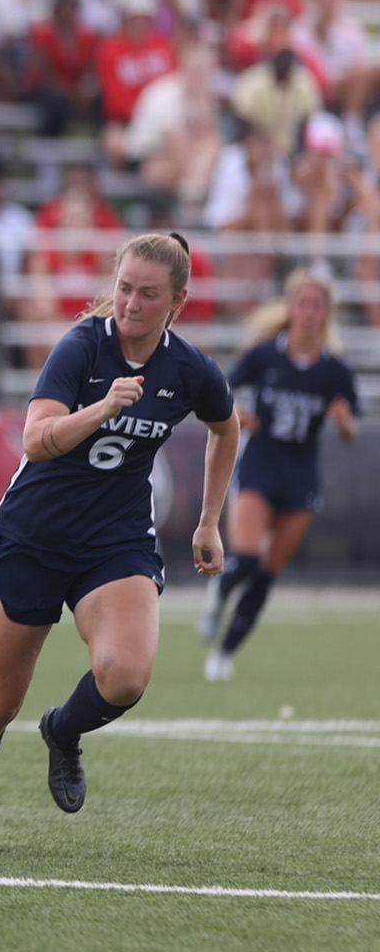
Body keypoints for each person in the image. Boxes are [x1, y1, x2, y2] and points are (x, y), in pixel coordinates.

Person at [0, 233, 239, 851]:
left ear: (175, 302)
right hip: (33, 536)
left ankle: (64, 731)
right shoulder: (80, 348)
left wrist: (209, 520)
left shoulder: (188, 369)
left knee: (126, 674)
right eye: (124, 288)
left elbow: (225, 428)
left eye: (147, 294)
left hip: (115, 540)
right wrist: (101, 409)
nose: (129, 303)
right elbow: (36, 439)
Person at [197, 271, 360, 680]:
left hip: (301, 474)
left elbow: (350, 430)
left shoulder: (335, 371)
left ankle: (225, 653)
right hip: (260, 464)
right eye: (302, 303)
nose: (308, 312)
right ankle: (218, 593)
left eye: (317, 305)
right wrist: (239, 416)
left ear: (327, 313)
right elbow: (222, 395)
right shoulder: (266, 355)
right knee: (248, 557)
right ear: (291, 308)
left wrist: (342, 423)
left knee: (269, 570)